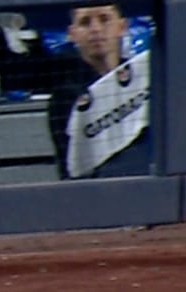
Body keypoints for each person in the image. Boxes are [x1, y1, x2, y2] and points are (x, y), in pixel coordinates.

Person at [46, 4, 152, 179]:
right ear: (72, 34)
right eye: (85, 22)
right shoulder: (64, 98)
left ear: (122, 26)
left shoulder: (145, 77)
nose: (96, 29)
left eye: (104, 19)